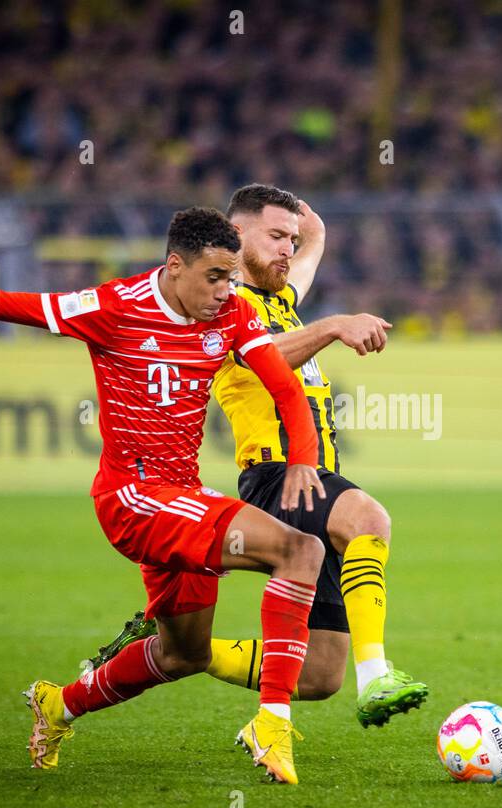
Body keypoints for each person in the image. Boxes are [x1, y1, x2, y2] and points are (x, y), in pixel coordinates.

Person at [0, 207, 328, 784]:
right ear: (175, 265)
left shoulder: (236, 314)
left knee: (183, 655)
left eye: (230, 278)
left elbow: (285, 388)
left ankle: (59, 704)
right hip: (133, 498)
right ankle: (271, 724)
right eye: (214, 277)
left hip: (181, 495)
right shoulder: (113, 306)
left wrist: (302, 461)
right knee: (301, 551)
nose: (225, 292)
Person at [89, 184, 428, 727]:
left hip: (318, 478)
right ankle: (379, 677)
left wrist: (309, 232)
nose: (287, 251)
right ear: (237, 235)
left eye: (290, 241)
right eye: (275, 237)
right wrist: (334, 324)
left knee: (318, 676)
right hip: (278, 478)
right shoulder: (220, 302)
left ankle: (188, 652)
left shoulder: (277, 299)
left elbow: (305, 257)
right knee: (369, 518)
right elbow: (256, 361)